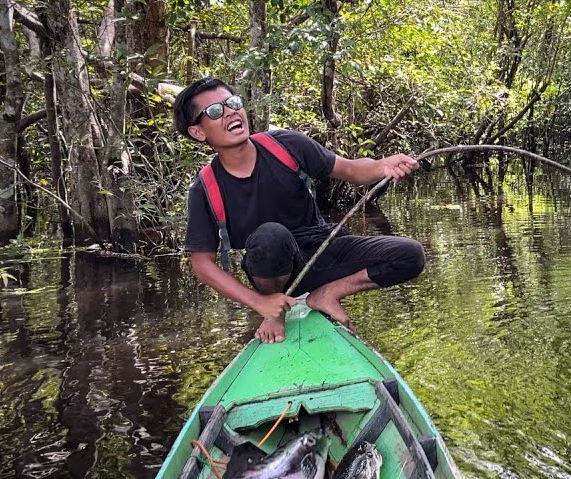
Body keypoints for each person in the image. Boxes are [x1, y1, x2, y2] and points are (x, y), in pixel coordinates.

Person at [174, 77, 425, 343]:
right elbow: (202, 264)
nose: (230, 112)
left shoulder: (286, 145)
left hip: (323, 250)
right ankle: (276, 312)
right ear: (198, 132)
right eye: (215, 111)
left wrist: (382, 166)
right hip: (273, 270)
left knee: (410, 254)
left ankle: (327, 294)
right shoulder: (205, 188)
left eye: (233, 103)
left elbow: (350, 169)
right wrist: (260, 302)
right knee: (271, 236)